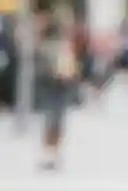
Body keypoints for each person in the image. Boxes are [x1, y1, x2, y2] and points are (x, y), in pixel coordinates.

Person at [36, 8, 79, 170]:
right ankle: (51, 154)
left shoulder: (59, 46)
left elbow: (71, 68)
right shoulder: (53, 45)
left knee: (54, 121)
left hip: (57, 87)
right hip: (53, 86)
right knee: (53, 121)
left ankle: (52, 154)